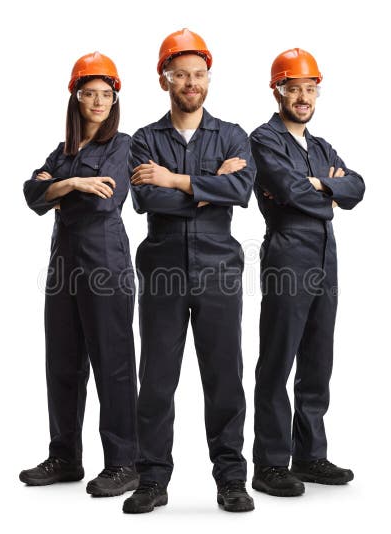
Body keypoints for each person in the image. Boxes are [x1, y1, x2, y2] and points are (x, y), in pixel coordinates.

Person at [121, 29, 255, 514]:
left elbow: (241, 190)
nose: (191, 83)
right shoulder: (144, 139)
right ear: (165, 80)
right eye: (181, 75)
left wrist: (174, 179)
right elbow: (145, 199)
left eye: (198, 74)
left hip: (219, 270)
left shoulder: (233, 135)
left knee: (224, 379)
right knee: (157, 380)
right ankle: (152, 479)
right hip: (163, 273)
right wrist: (209, 185)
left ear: (208, 79)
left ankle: (232, 479)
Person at [20, 52, 139, 498]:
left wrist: (56, 187)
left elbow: (105, 198)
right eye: (90, 94)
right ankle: (65, 457)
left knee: (113, 364)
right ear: (76, 98)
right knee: (62, 362)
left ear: (114, 100)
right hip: (63, 266)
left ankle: (124, 463)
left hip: (105, 263)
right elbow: (31, 194)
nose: (99, 102)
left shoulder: (122, 146)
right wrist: (72, 183)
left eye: (106, 94)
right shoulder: (64, 151)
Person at [249, 48, 365, 497]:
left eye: (310, 89)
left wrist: (324, 185)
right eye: (294, 88)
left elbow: (356, 187)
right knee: (278, 359)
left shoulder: (320, 147)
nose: (302, 97)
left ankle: (310, 455)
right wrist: (326, 190)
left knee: (318, 358)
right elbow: (289, 190)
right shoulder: (264, 140)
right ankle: (270, 463)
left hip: (324, 256)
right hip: (287, 253)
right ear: (277, 91)